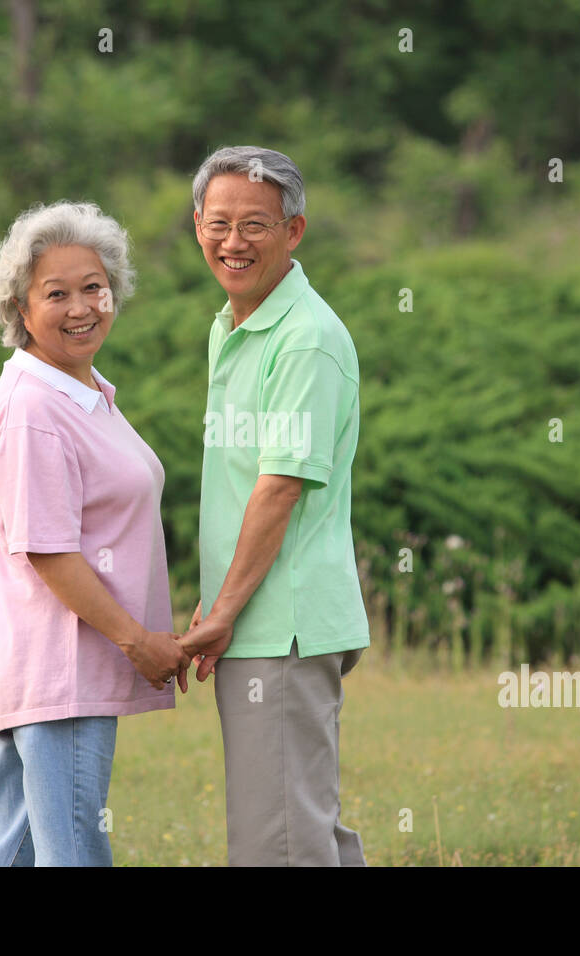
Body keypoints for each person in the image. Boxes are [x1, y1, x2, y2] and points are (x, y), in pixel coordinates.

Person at [0, 200, 190, 867]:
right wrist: (137, 641)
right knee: (73, 852)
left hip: (60, 671)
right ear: (19, 309)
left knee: (12, 851)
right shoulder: (35, 404)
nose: (81, 306)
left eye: (93, 287)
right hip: (60, 669)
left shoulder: (82, 390)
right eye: (55, 293)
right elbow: (48, 552)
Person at [180, 146, 371, 866]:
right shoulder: (232, 325)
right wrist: (220, 603)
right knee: (305, 830)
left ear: (293, 232)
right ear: (197, 224)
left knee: (278, 844)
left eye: (255, 225)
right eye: (219, 223)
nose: (234, 242)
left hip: (279, 624)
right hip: (255, 617)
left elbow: (279, 487)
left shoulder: (304, 340)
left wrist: (224, 609)